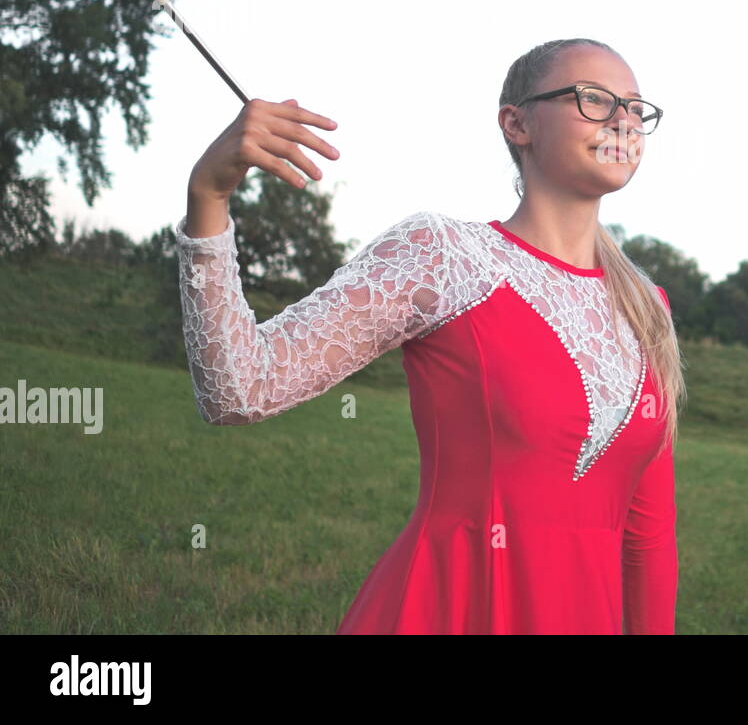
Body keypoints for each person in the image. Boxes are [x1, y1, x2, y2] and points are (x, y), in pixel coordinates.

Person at [174, 37, 685, 634]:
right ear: (516, 123)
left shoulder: (648, 306)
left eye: (635, 107)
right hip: (448, 611)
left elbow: (648, 537)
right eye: (594, 99)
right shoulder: (439, 255)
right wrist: (208, 197)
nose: (623, 119)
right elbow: (238, 389)